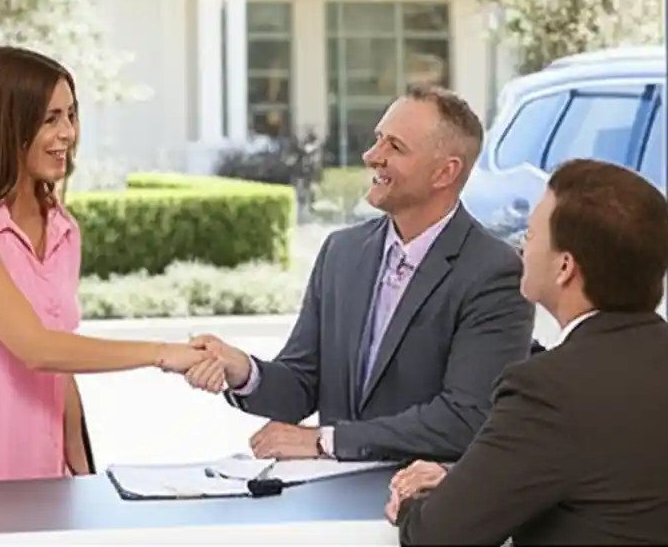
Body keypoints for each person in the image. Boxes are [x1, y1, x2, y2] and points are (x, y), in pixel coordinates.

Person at [0, 46, 212, 486]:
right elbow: (36, 348)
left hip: (32, 483)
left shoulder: (61, 228)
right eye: (50, 119)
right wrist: (161, 353)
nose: (67, 133)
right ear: (4, 125)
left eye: (70, 115)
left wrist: (83, 473)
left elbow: (59, 365)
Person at [387, 158, 668, 545]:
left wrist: (413, 502)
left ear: (564, 267)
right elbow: (618, 478)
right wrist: (468, 481)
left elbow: (437, 536)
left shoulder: (548, 388)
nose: (521, 246)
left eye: (531, 234)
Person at [183, 86, 535, 462]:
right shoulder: (342, 252)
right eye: (378, 139)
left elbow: (465, 419)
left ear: (445, 173)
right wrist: (243, 371)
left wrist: (326, 441)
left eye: (394, 147)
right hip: (330, 492)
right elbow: (302, 383)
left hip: (425, 495)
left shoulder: (494, 272)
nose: (371, 156)